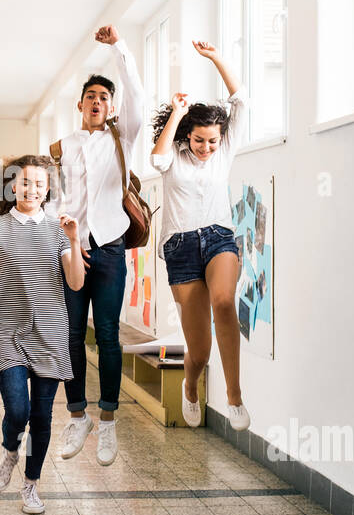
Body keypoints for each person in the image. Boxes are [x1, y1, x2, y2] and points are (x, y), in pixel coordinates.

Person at [0, 156, 84, 515]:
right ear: (13, 187)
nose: (31, 188)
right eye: (24, 182)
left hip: (50, 330)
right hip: (7, 328)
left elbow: (76, 282)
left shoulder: (57, 229)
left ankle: (31, 484)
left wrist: (75, 241)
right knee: (18, 410)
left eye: (39, 183)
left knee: (43, 417)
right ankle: (9, 449)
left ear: (47, 189)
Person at [51, 25, 145, 466]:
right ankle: (77, 415)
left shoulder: (121, 137)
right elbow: (49, 198)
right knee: (70, 335)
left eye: (104, 98)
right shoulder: (61, 148)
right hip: (72, 249)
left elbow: (138, 98)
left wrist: (118, 48)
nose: (97, 102)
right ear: (80, 103)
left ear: (110, 107)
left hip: (108, 248)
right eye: (91, 96)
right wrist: (63, 237)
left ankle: (107, 421)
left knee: (106, 333)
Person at [149, 39, 250, 431]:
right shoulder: (173, 155)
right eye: (199, 139)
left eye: (213, 140)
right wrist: (177, 113)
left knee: (224, 302)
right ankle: (191, 385)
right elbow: (157, 159)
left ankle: (234, 396)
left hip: (219, 238)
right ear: (187, 135)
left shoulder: (224, 150)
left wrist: (215, 58)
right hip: (181, 248)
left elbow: (241, 100)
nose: (207, 147)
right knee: (200, 351)